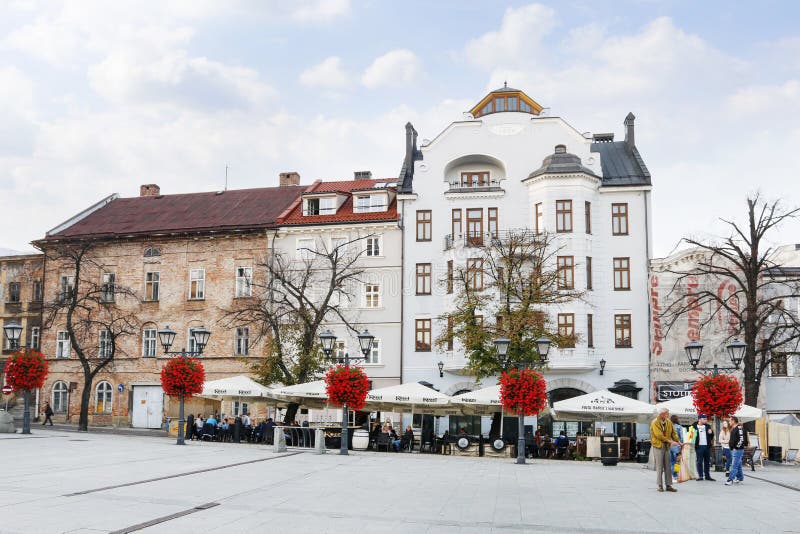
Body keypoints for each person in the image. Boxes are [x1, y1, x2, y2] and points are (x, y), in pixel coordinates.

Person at [650, 406, 680, 492]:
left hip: (666, 445)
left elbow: (673, 433)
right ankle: (660, 485)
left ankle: (668, 485)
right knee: (659, 466)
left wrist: (678, 441)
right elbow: (658, 435)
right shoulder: (655, 422)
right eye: (667, 413)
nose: (668, 414)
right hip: (658, 445)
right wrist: (671, 442)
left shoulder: (669, 422)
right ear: (662, 414)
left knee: (667, 465)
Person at [725, 416, 749, 486]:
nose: (729, 422)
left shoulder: (739, 428)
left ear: (733, 421)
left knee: (734, 465)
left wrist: (736, 447)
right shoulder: (735, 428)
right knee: (738, 465)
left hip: (738, 450)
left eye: (730, 421)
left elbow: (741, 440)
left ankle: (730, 479)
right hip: (734, 449)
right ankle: (740, 478)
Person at [692, 414, 715, 481]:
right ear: (699, 419)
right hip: (699, 446)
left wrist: (711, 433)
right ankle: (700, 476)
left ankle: (707, 476)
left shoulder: (708, 426)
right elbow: (691, 436)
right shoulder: (694, 426)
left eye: (706, 419)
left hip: (707, 446)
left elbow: (711, 436)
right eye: (704, 419)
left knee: (707, 461)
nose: (706, 420)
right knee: (699, 461)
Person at [669, 415, 685, 483]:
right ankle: (675, 476)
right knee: (677, 462)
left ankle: (671, 476)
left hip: (669, 445)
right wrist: (682, 444)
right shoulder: (679, 427)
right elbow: (681, 437)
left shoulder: (668, 426)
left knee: (671, 462)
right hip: (676, 446)